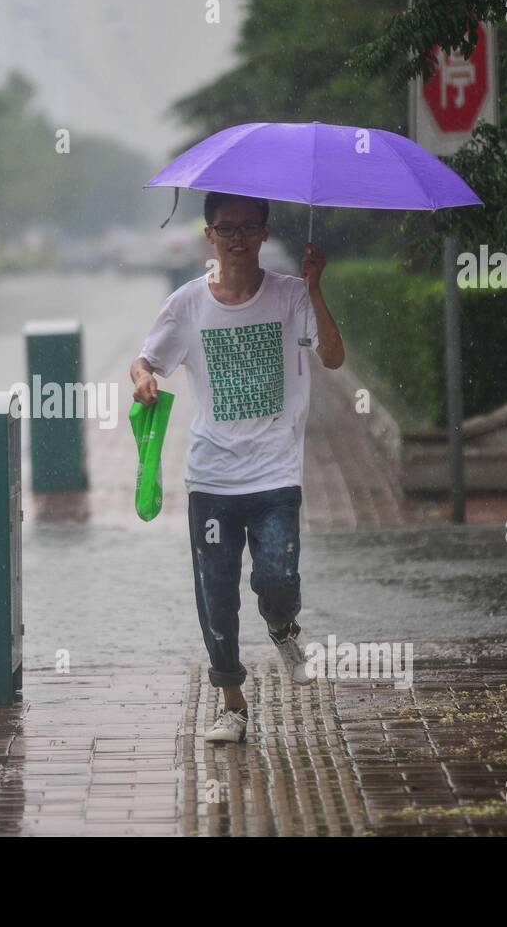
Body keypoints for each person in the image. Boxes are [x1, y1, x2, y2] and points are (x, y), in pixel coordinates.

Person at [130, 192, 345, 744]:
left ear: (265, 231)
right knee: (216, 596)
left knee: (278, 578)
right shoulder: (187, 305)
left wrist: (317, 288)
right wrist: (143, 378)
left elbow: (335, 356)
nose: (239, 239)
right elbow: (146, 358)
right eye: (228, 229)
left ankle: (282, 626)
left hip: (275, 476)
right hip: (212, 480)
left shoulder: (292, 296)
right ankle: (232, 705)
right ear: (210, 236)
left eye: (250, 227)